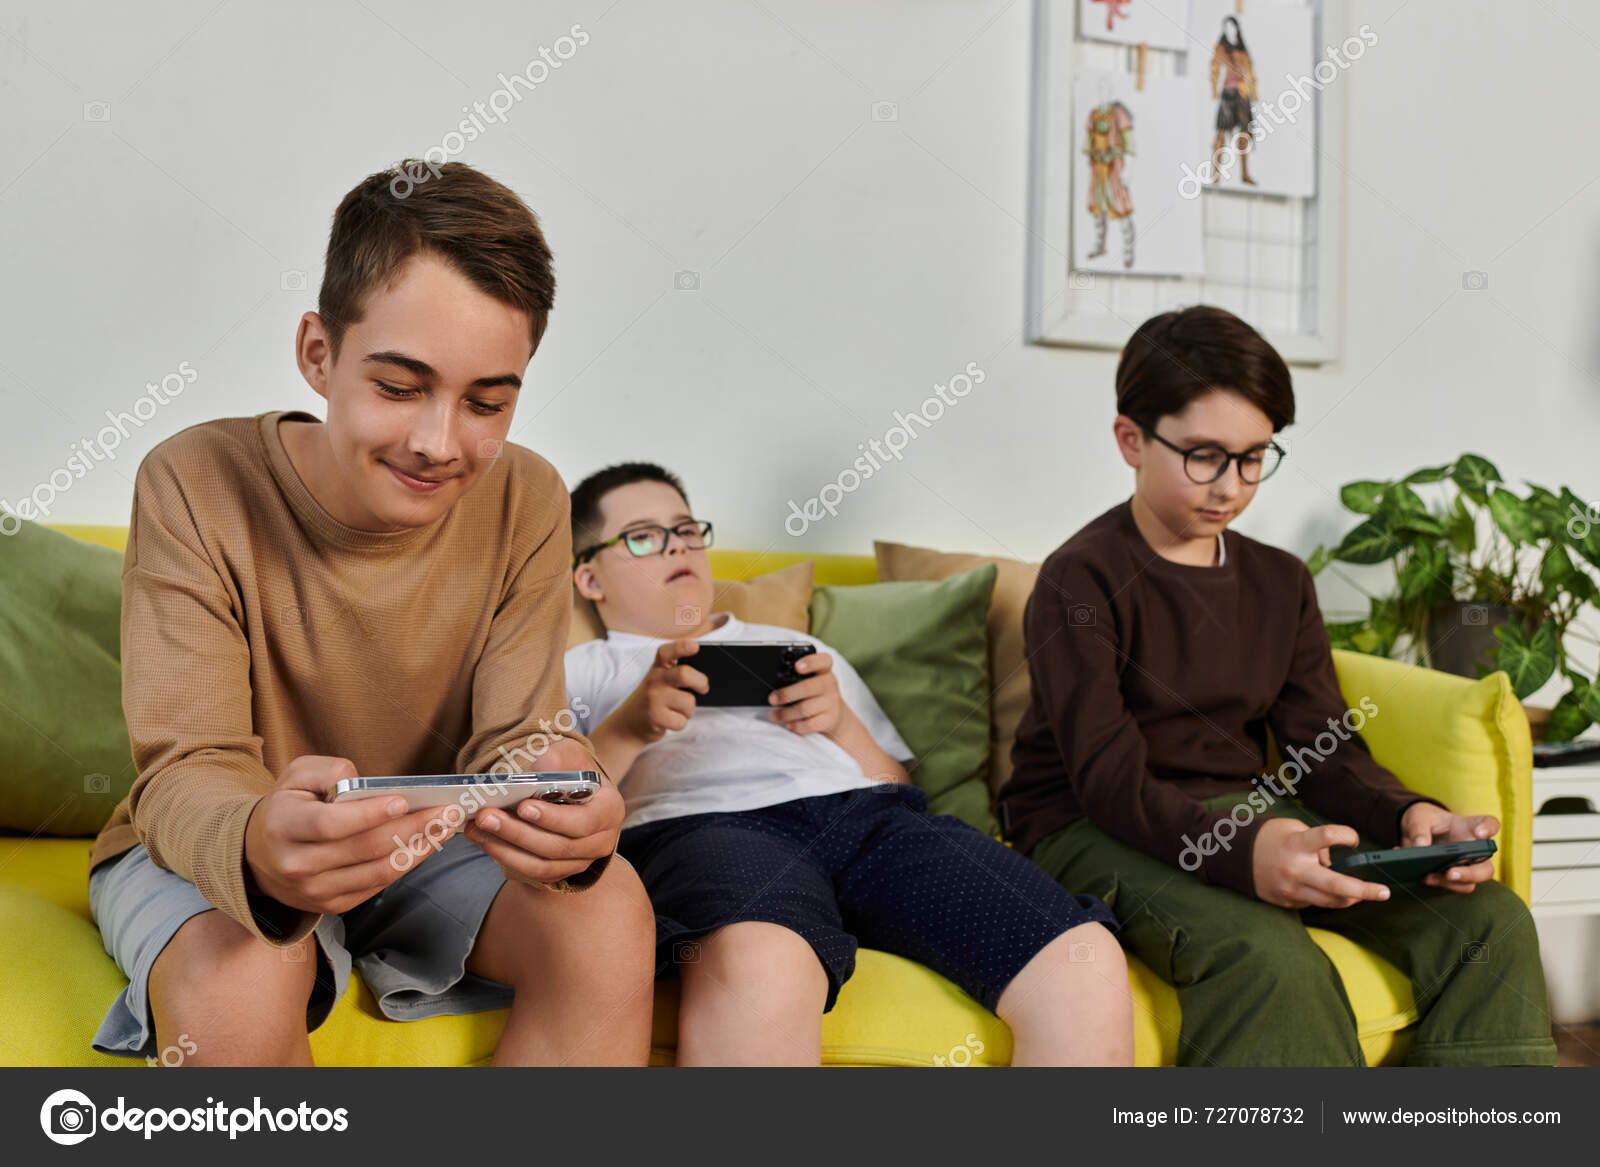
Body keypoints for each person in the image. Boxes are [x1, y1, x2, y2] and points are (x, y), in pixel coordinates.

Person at [87, 161, 655, 1067]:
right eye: (399, 386)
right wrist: (254, 846)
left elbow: (516, 735)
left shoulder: (530, 496)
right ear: (318, 352)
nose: (439, 442)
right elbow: (190, 764)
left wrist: (565, 785)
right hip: (223, 837)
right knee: (239, 978)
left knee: (610, 906)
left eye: (487, 402)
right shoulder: (194, 479)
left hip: (434, 840)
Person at [1000, 305, 1556, 1067]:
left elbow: (1323, 749)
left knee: (1489, 922)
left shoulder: (1278, 580)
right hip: (1089, 827)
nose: (1230, 484)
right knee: (1273, 960)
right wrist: (1247, 851)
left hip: (1250, 812)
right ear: (1131, 439)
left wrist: (1411, 814)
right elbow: (1107, 779)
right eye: (1203, 455)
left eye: (1254, 457)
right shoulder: (1081, 577)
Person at [564, 462, 1134, 1066]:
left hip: (872, 822)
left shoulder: (808, 651)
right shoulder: (584, 670)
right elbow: (558, 810)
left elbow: (896, 785)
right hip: (708, 827)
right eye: (645, 537)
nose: (678, 545)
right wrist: (630, 727)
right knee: (760, 967)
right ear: (589, 577)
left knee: (1084, 959)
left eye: (686, 529)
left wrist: (841, 723)